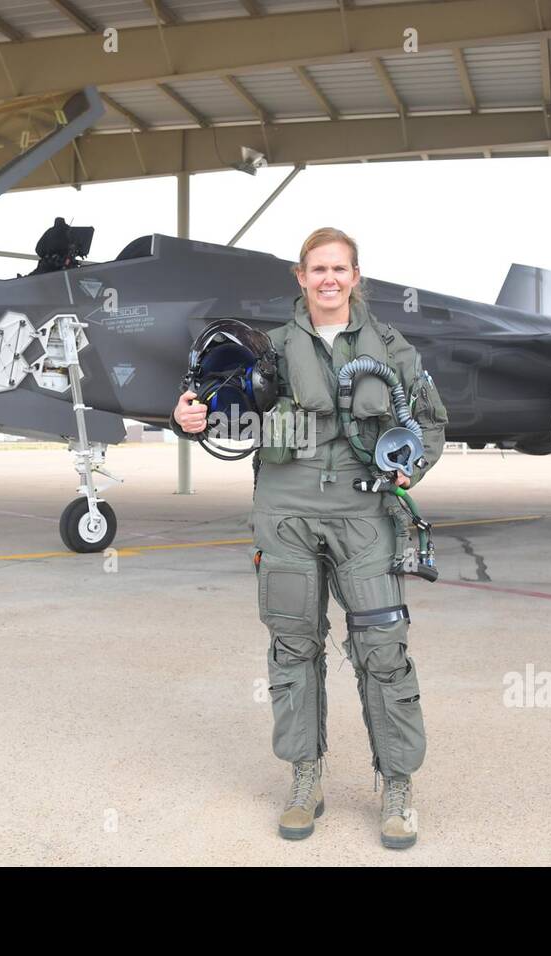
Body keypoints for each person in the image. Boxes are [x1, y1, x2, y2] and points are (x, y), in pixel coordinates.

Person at [172, 227, 448, 849]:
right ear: (300, 277)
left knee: (382, 650)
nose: (328, 279)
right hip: (286, 517)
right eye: (317, 269)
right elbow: (213, 408)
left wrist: (413, 464)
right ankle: (305, 780)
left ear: (355, 276)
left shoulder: (391, 348)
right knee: (294, 648)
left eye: (339, 269)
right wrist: (185, 418)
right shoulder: (263, 348)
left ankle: (397, 785)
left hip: (364, 517)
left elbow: (431, 422)